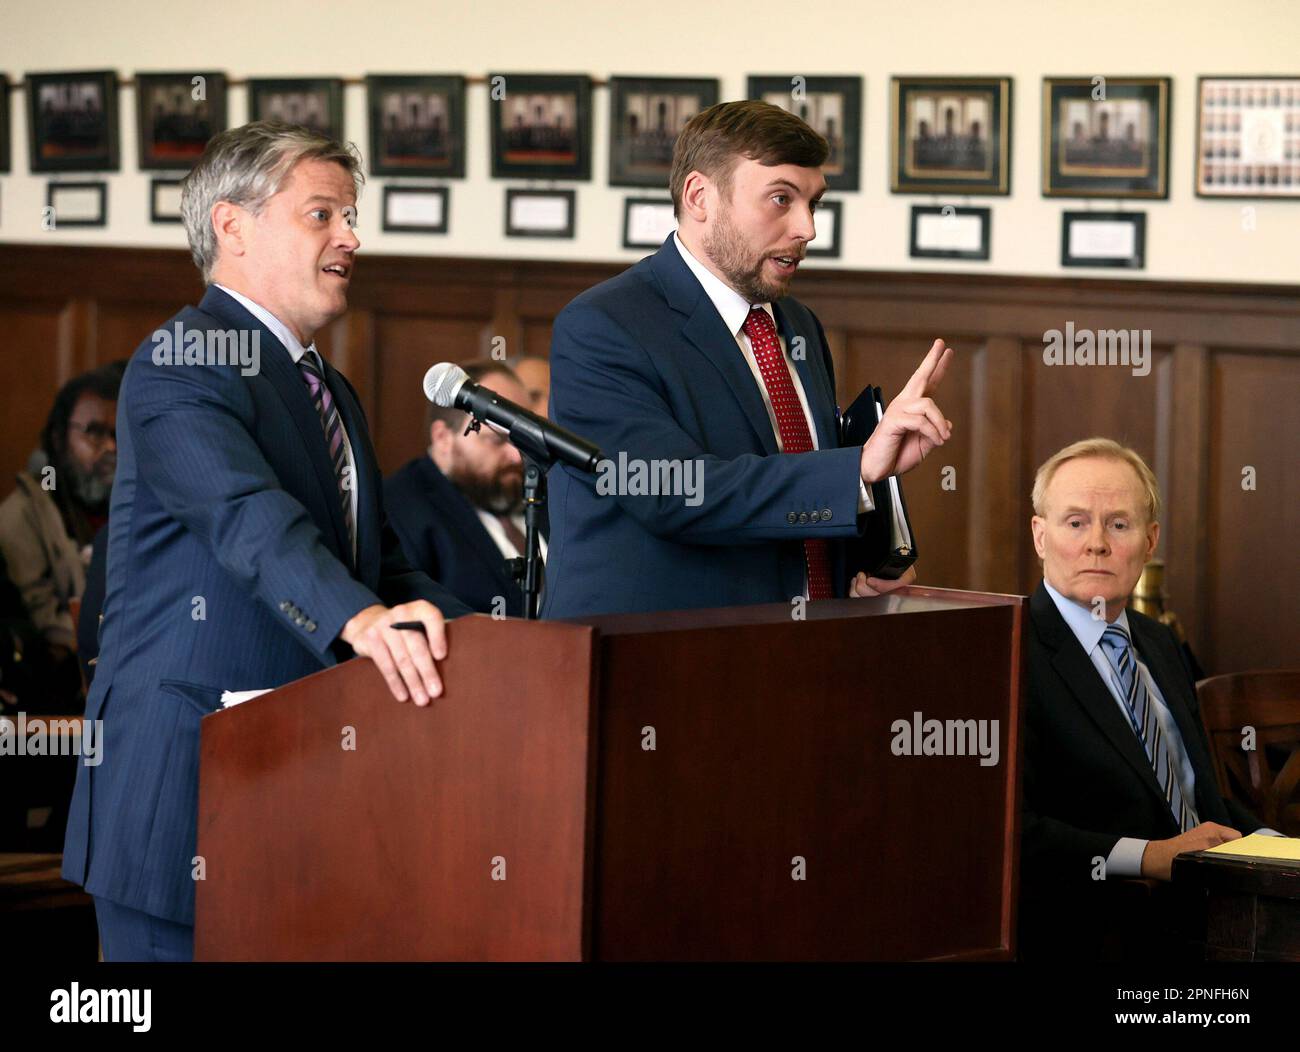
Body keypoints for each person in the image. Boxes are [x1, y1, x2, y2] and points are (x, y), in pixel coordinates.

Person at [61, 121, 472, 962]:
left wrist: (502, 639)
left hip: (304, 793)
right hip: (184, 792)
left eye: (352, 216)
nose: (352, 237)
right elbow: (248, 516)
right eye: (323, 214)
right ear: (232, 226)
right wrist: (357, 623)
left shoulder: (328, 386)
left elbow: (380, 562)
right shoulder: (181, 359)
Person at [541, 101, 953, 618]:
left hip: (800, 650)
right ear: (699, 197)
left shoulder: (798, 323)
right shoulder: (603, 325)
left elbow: (794, 499)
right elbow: (673, 490)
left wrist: (869, 567)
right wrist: (856, 470)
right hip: (662, 662)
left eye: (813, 204)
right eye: (781, 198)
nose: (807, 229)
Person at [1019, 437, 1276, 960]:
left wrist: (1279, 848)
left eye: (1118, 524)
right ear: (1040, 536)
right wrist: (1152, 856)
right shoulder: (1010, 651)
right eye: (1075, 522)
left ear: (1150, 539)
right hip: (1097, 928)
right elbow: (1017, 834)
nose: (1097, 543)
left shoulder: (1157, 641)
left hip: (1215, 910)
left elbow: (1199, 800)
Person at [0, 363, 125, 707]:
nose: (112, 448)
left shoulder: (134, 507)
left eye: (119, 434)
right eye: (95, 433)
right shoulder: (21, 515)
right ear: (58, 438)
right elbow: (42, 621)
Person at [386, 360, 543, 618]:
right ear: (443, 438)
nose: (517, 457)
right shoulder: (400, 510)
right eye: (497, 440)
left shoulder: (537, 491)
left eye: (522, 441)